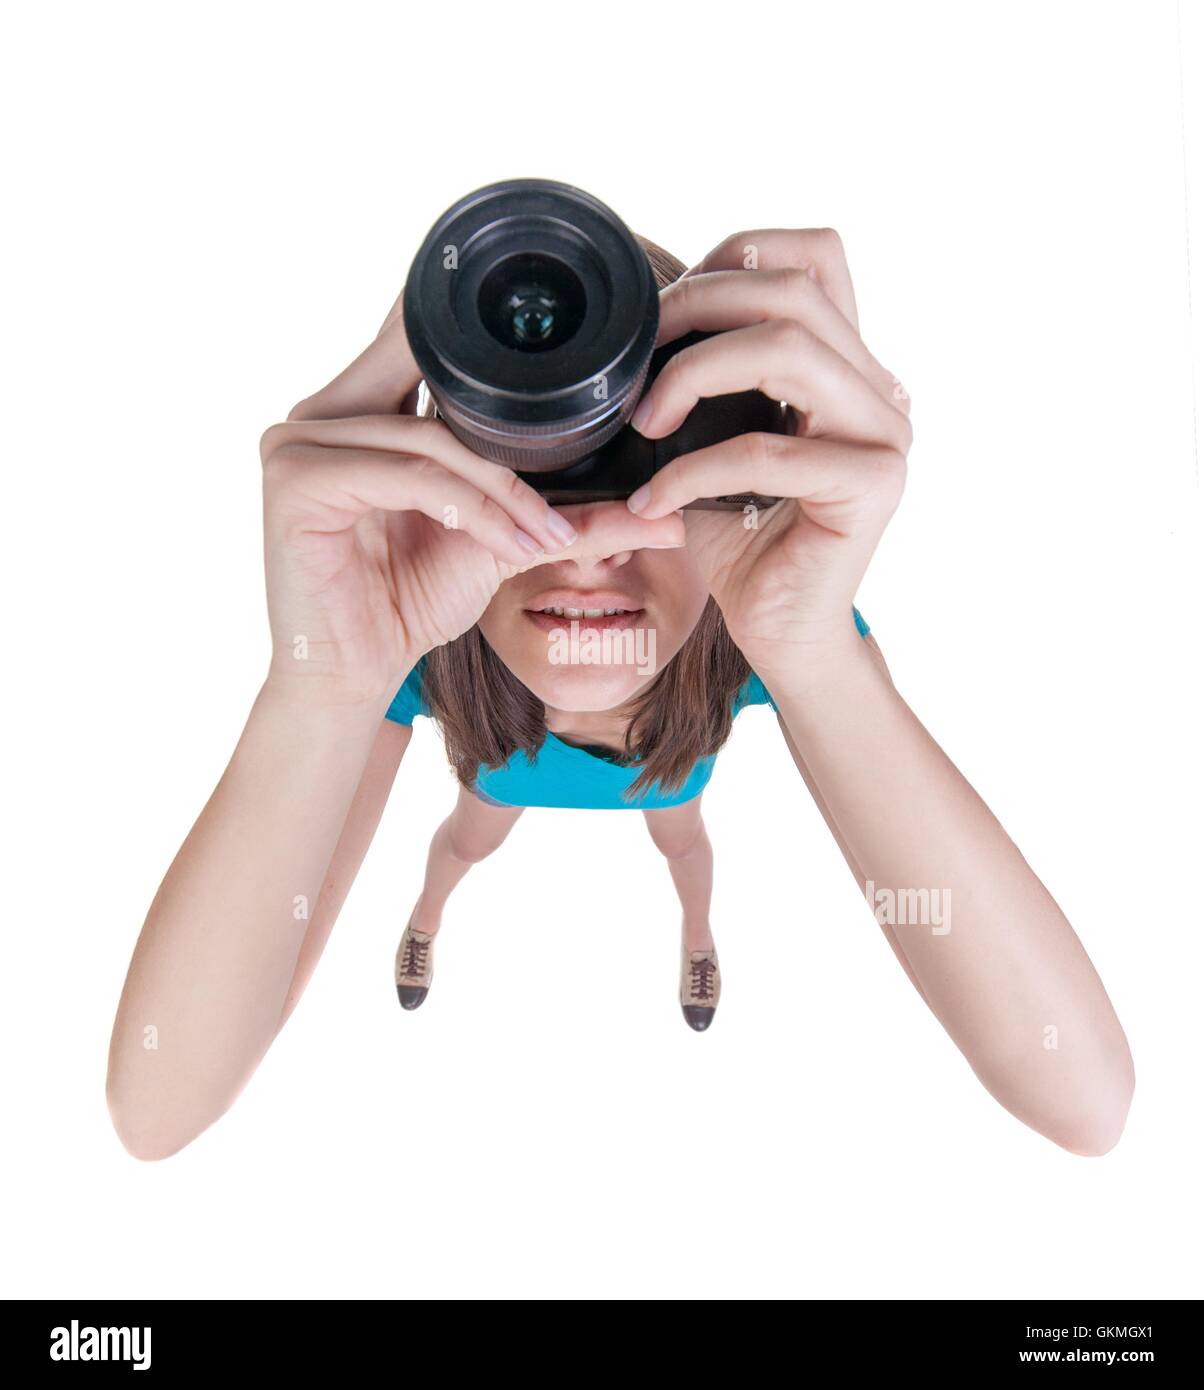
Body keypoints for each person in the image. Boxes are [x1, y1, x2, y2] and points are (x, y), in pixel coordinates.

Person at [105, 225, 1135, 1160]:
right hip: (505, 775)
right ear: (435, 499)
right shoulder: (407, 648)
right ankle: (425, 920)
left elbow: (1085, 1101)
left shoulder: (759, 634)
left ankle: (698, 938)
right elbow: (157, 1110)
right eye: (532, 482)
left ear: (739, 497)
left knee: (684, 851)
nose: (590, 557)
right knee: (462, 843)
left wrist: (812, 649)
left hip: (660, 783)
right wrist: (319, 683)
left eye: (655, 479)